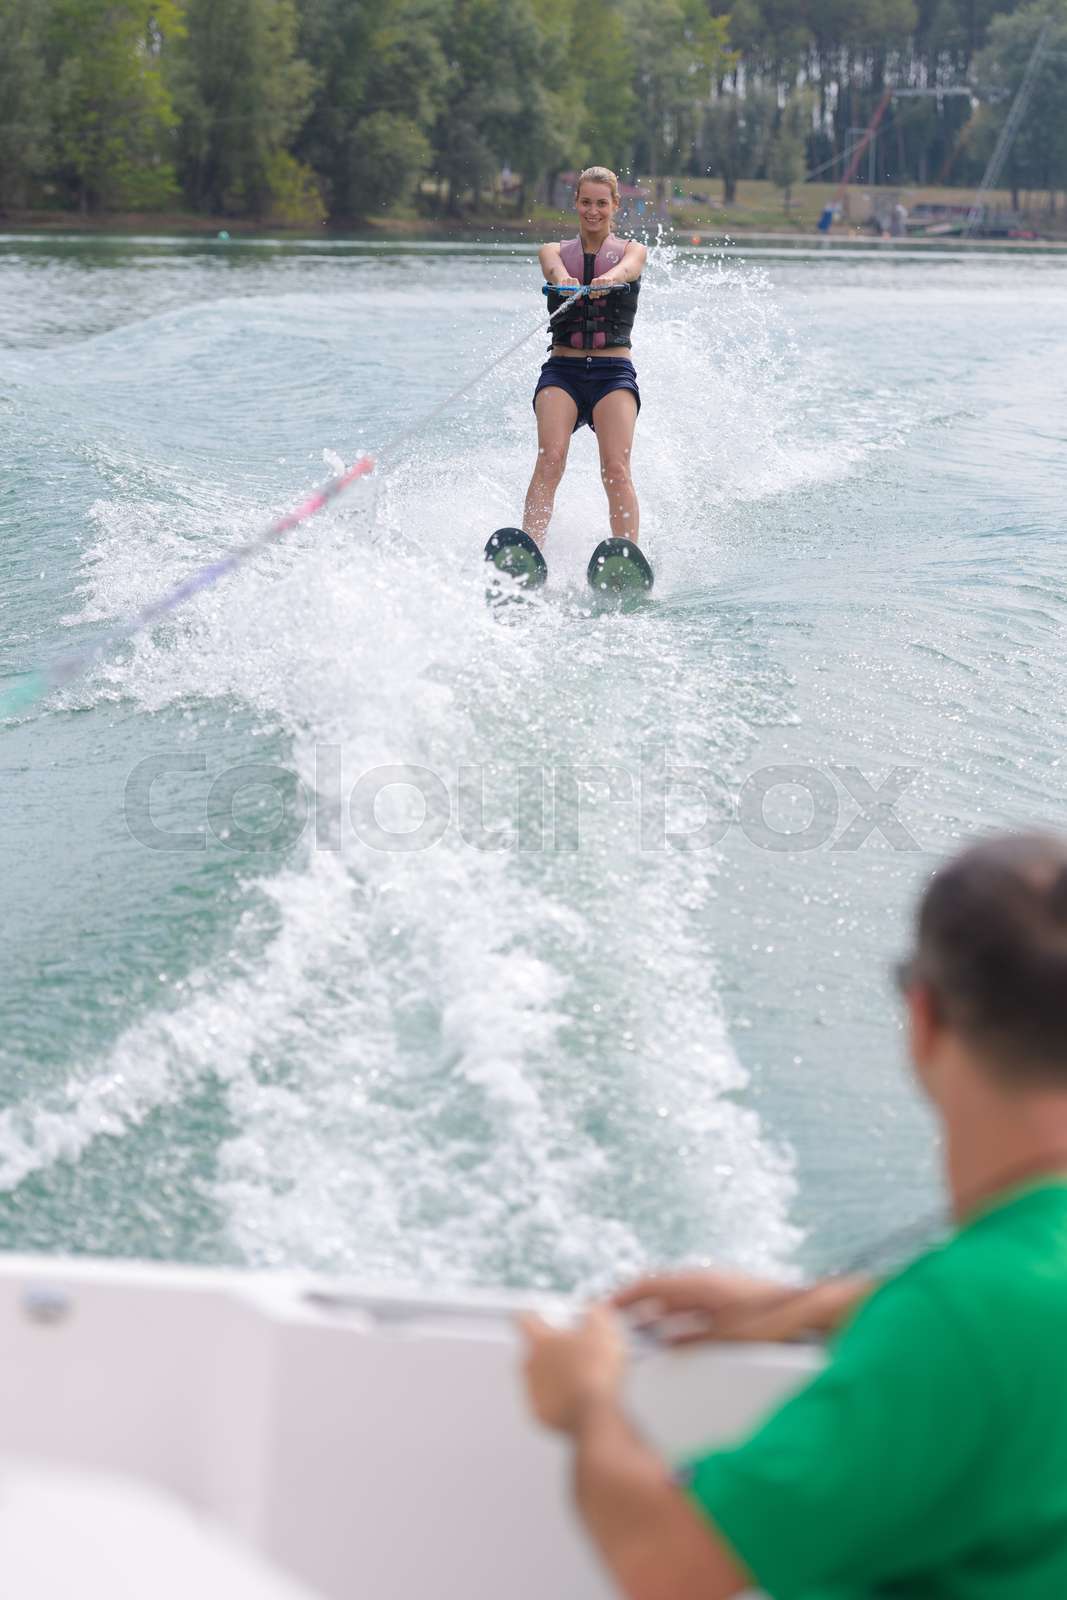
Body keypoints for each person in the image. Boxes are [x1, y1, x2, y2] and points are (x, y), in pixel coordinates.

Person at [520, 830, 1067, 1598]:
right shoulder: (991, 1306)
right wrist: (818, 1306)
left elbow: (667, 1564)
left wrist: (583, 1402)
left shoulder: (960, 1318)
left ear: (923, 1018)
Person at [523, 167, 647, 548]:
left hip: (612, 373)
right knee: (550, 459)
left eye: (601, 203)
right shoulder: (553, 251)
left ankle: (626, 553)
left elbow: (630, 267)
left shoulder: (632, 251)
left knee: (616, 468)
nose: (593, 211)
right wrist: (564, 279)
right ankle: (531, 549)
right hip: (563, 370)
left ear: (615, 205)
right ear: (575, 203)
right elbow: (553, 267)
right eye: (586, 202)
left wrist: (612, 277)